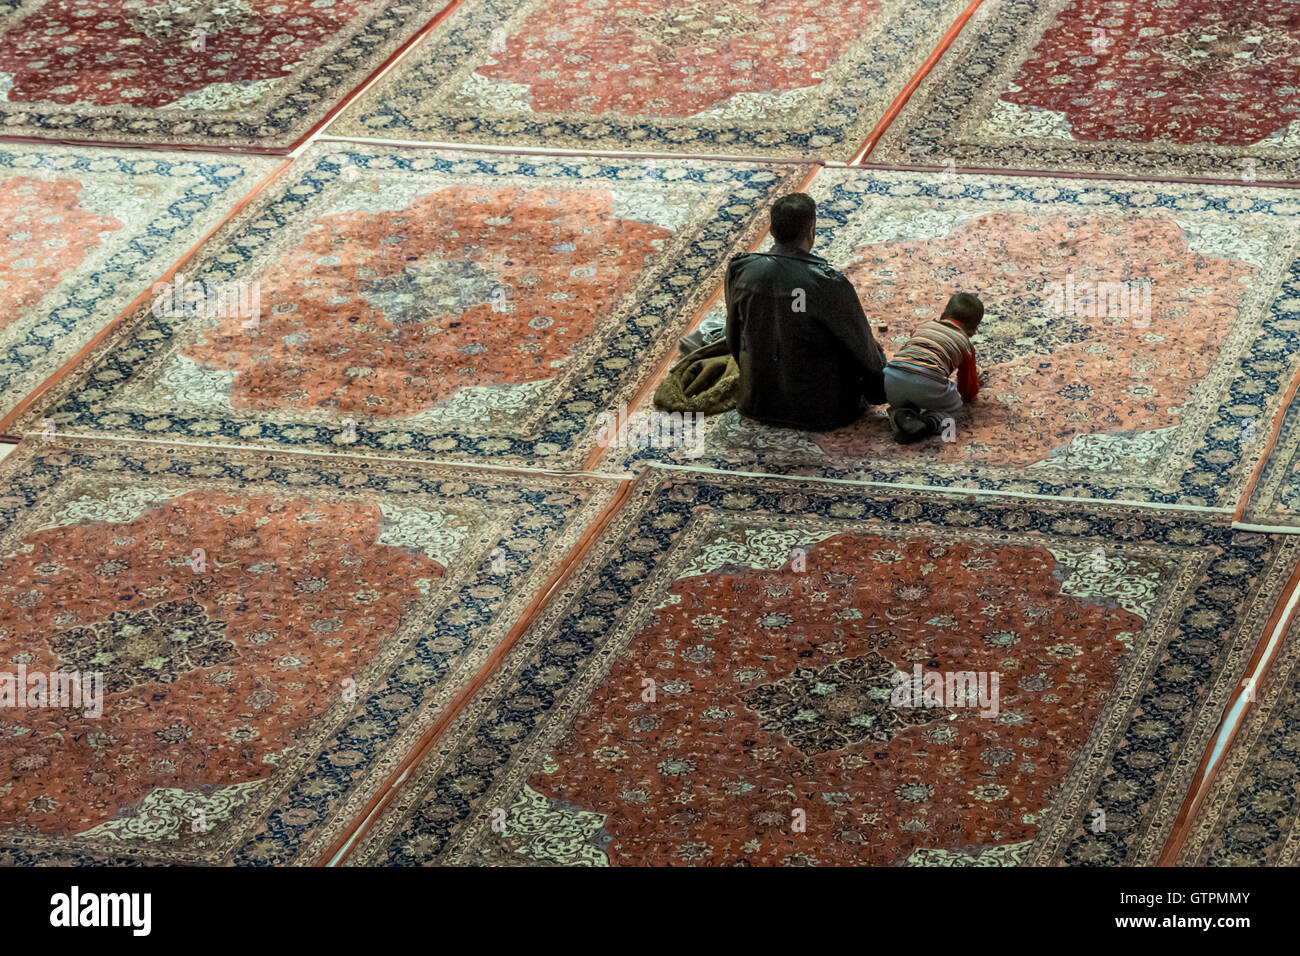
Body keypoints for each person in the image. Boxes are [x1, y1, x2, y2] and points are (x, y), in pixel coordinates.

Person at [724, 193, 887, 432]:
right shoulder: (828, 282)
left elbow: (733, 335)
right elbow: (862, 349)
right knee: (873, 346)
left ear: (771, 230)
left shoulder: (740, 269)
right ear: (811, 231)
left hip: (756, 401)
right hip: (823, 412)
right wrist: (879, 388)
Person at [884, 293, 984, 444]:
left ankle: (902, 415)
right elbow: (967, 391)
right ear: (972, 331)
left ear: (943, 315)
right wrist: (975, 386)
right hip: (926, 383)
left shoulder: (923, 326)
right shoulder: (966, 346)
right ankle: (928, 423)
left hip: (891, 379)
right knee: (955, 411)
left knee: (902, 403)